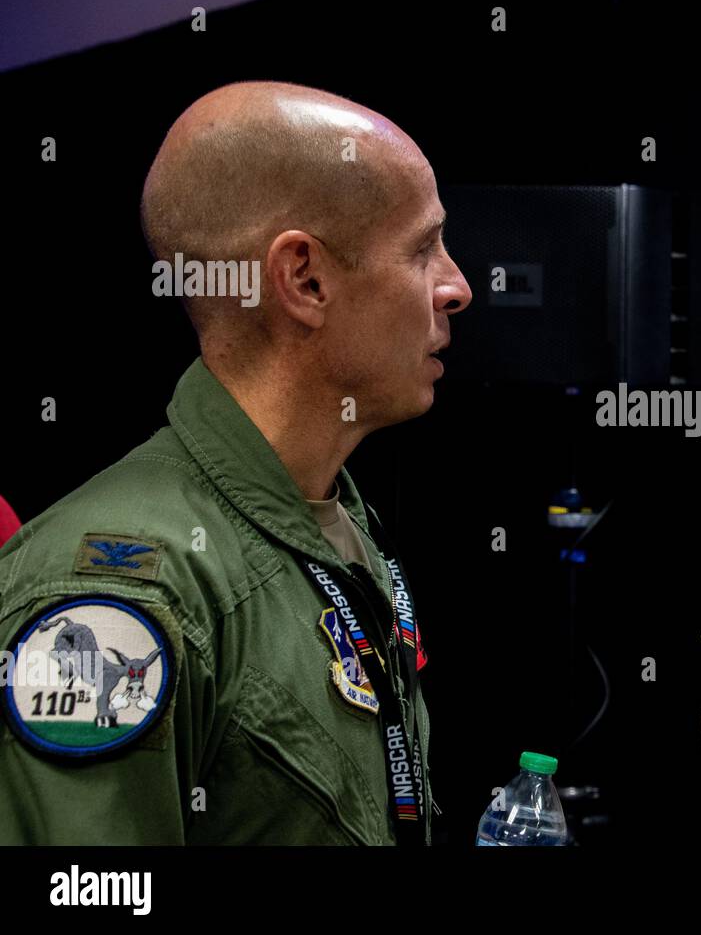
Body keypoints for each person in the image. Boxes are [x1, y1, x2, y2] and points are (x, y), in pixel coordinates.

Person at [0, 81, 472, 844]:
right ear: (305, 280)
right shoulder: (114, 593)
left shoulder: (335, 516)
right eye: (423, 249)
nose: (458, 287)